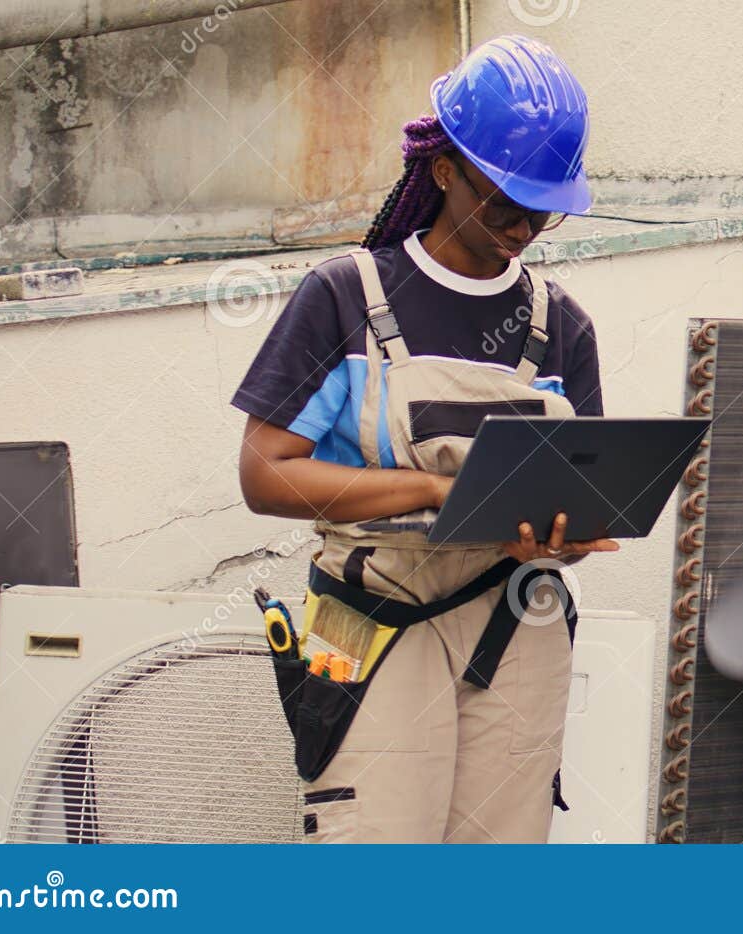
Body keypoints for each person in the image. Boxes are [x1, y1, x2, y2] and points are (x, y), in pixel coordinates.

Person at [231, 35, 617, 843]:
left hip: (517, 620)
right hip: (356, 620)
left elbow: (575, 502)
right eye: (505, 201)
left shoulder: (560, 326)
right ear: (444, 170)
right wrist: (440, 493)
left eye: (542, 207)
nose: (525, 226)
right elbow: (266, 476)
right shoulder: (345, 296)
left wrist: (565, 537)